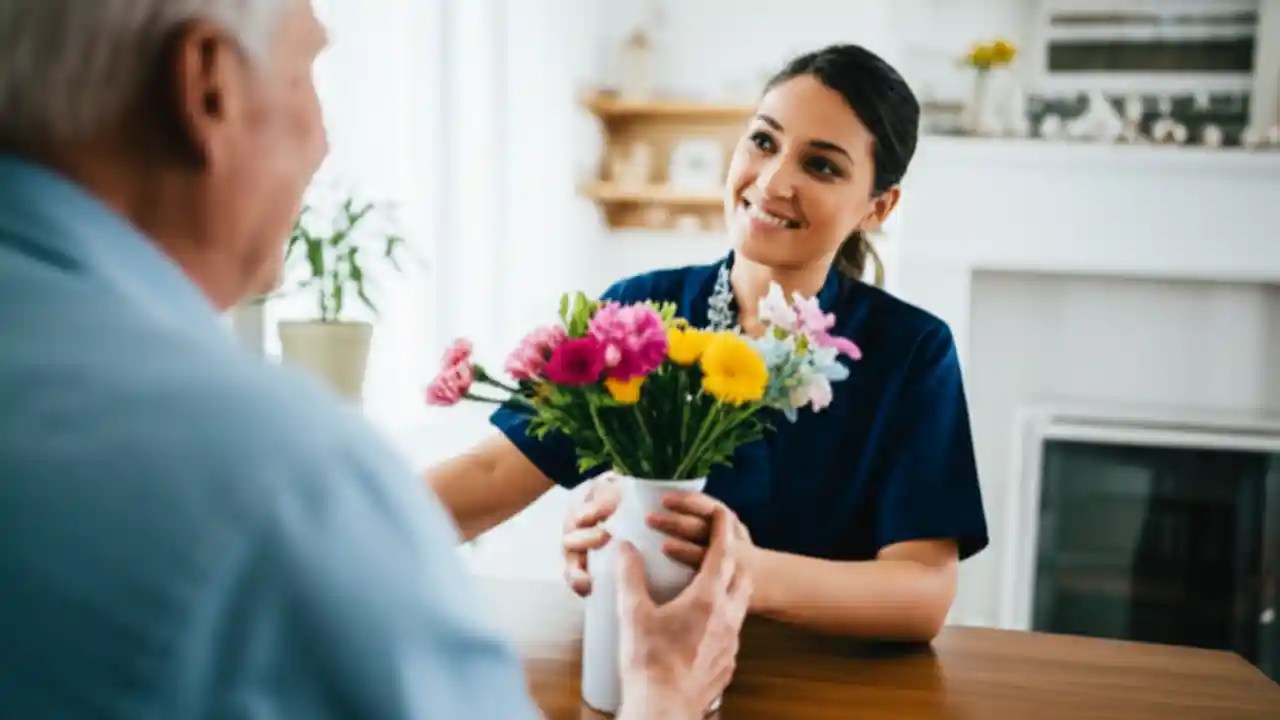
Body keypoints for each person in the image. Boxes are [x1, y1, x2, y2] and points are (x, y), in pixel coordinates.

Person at [0, 1, 749, 718]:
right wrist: (663, 694)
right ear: (209, 87)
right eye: (307, 72)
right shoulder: (281, 478)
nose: (323, 139)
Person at [430, 44, 989, 642]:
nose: (773, 182)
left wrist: (742, 572)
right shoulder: (636, 313)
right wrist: (328, 538)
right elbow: (491, 472)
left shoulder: (913, 351)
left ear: (879, 207)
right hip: (642, 669)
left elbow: (923, 593)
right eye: (764, 142)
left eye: (822, 166)